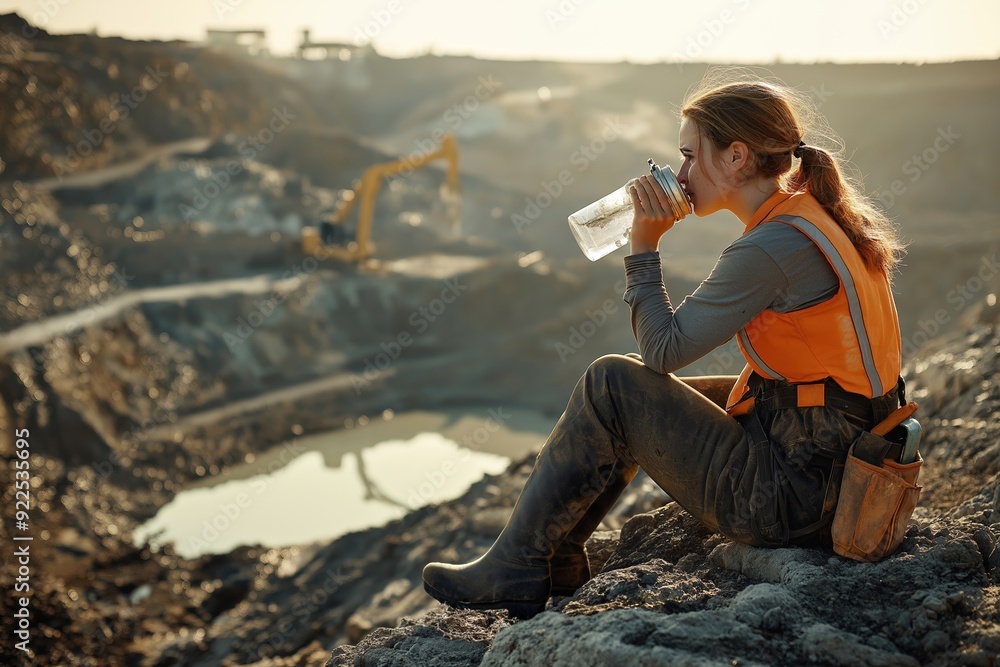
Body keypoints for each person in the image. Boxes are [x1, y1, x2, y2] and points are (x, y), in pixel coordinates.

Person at [422, 74, 906, 618]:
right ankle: (551, 560)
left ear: (737, 156)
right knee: (632, 389)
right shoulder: (811, 217)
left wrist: (643, 246)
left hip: (793, 501)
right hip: (839, 470)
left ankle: (517, 566)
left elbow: (664, 350)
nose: (679, 175)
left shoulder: (772, 247)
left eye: (689, 155)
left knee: (614, 383)